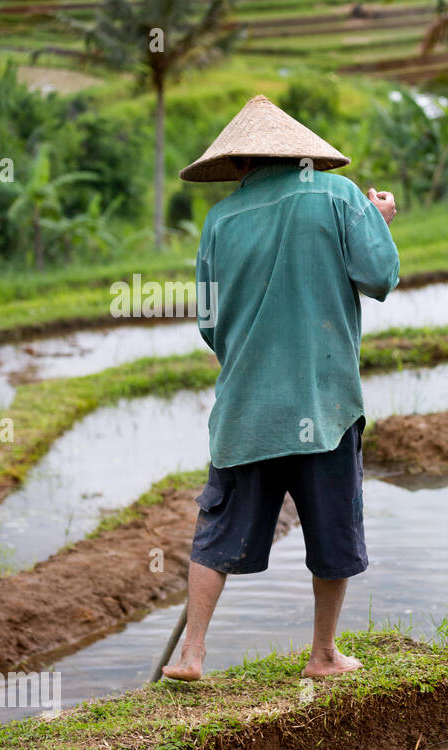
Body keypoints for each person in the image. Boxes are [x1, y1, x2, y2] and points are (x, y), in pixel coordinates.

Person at [162, 95, 399, 681]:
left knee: (216, 531)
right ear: (301, 154)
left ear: (240, 165)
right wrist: (378, 221)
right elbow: (380, 277)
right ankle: (323, 654)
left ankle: (191, 653)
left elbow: (210, 324)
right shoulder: (338, 196)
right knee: (333, 531)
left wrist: (249, 361)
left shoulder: (219, 221)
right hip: (325, 403)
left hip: (247, 409)